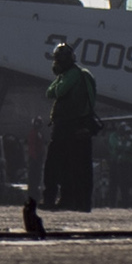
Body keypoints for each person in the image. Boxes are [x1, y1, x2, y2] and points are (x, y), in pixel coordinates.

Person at [42, 41, 101, 212]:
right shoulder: (79, 74)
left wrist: (58, 83)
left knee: (55, 165)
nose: (56, 63)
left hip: (69, 126)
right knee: (76, 167)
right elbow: (50, 92)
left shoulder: (71, 75)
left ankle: (52, 200)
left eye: (58, 60)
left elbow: (56, 92)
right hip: (78, 126)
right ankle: (77, 202)